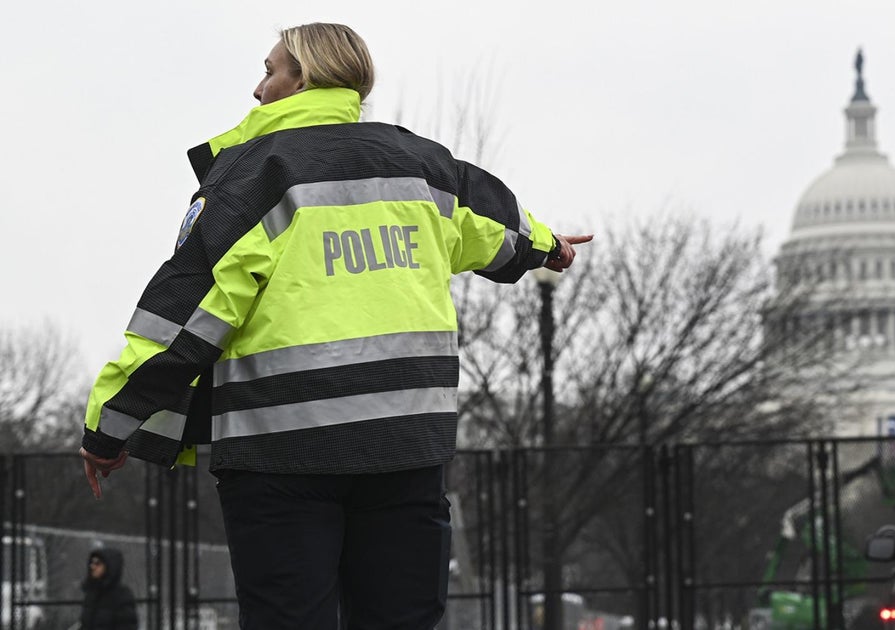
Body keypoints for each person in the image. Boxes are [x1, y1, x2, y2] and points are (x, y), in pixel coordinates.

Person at [78, 22, 591, 629]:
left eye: (269, 70)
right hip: (406, 445)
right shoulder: (422, 166)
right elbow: (492, 224)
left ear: (303, 78)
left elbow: (186, 316)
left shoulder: (256, 176)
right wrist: (545, 245)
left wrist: (108, 428)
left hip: (281, 451)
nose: (257, 88)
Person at [79, 549, 138, 630]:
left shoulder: (122, 596)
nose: (93, 566)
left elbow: (127, 626)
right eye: (92, 563)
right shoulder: (91, 594)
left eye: (98, 563)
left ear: (110, 566)